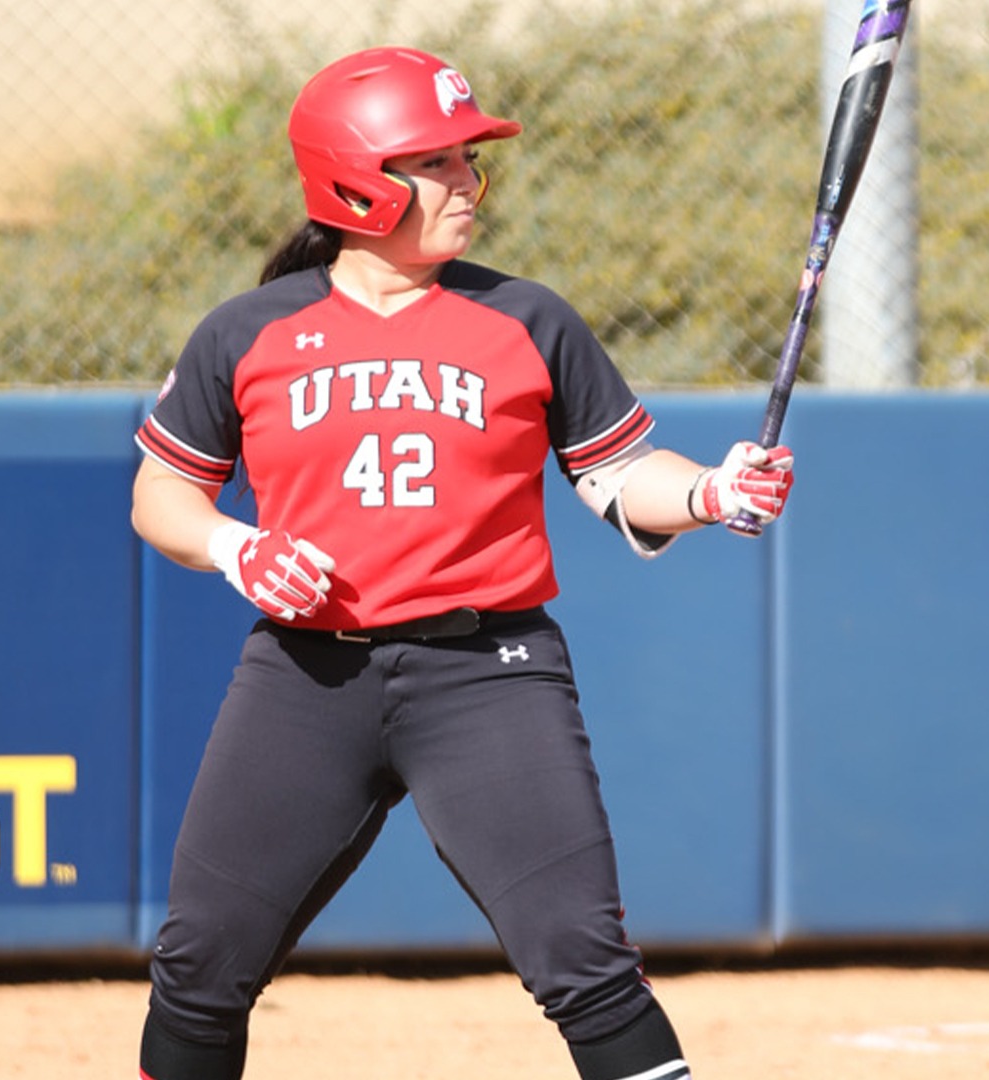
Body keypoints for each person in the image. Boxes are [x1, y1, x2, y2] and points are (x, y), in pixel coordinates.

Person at [129, 45, 793, 1080]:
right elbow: (160, 496)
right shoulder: (248, 331)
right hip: (305, 678)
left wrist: (711, 489)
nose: (469, 183)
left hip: (490, 677)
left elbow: (621, 474)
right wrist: (235, 545)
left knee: (586, 965)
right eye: (435, 163)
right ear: (355, 181)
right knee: (199, 967)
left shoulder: (526, 317)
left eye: (469, 160)